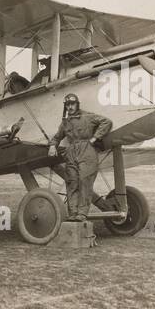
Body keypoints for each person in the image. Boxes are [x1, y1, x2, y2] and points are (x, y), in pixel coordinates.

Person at [48, 92, 112, 222]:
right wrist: (52, 145)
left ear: (77, 105)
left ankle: (82, 213)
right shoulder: (65, 122)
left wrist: (95, 138)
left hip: (87, 151)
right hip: (71, 152)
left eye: (72, 104)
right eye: (67, 105)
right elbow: (57, 137)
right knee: (72, 182)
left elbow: (107, 122)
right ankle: (73, 214)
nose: (70, 107)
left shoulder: (88, 116)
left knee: (85, 181)